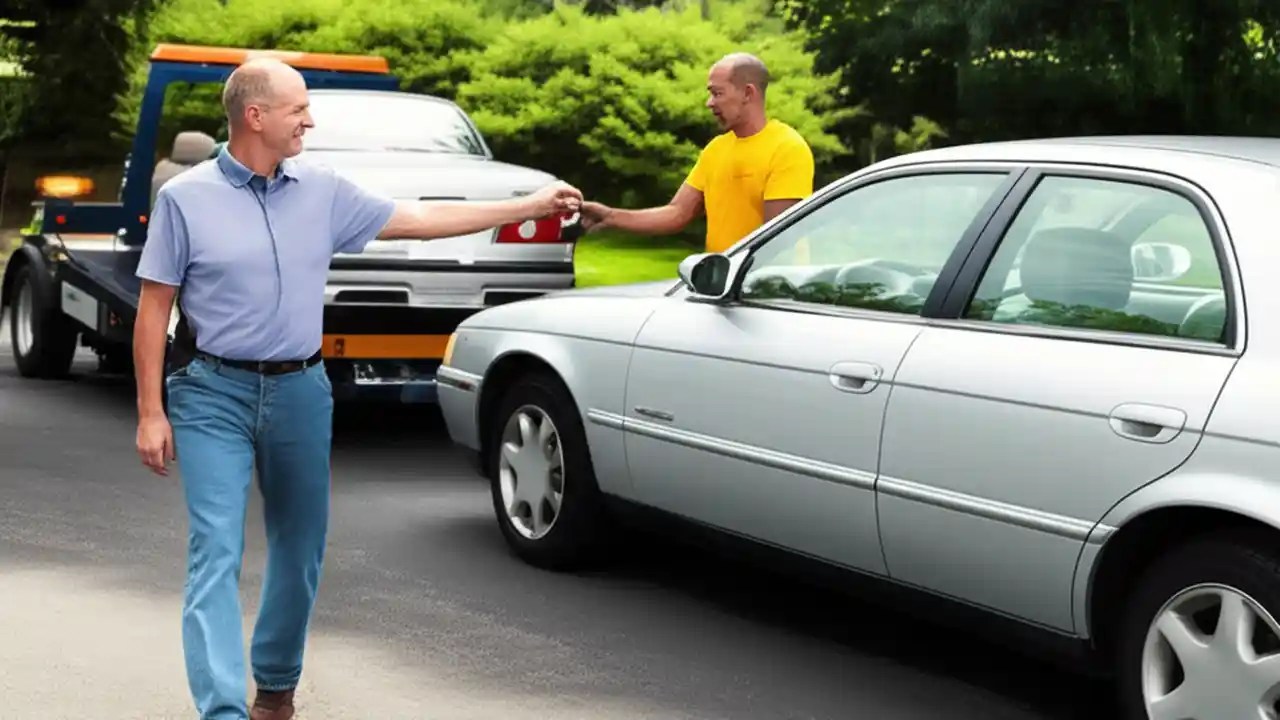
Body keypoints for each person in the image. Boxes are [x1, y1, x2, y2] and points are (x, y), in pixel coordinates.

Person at [132, 58, 581, 720]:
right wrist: (150, 412)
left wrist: (532, 205)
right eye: (298, 109)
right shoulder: (185, 199)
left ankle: (276, 688)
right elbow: (153, 307)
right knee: (215, 550)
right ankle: (222, 711)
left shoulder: (322, 189)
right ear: (255, 117)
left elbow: (418, 219)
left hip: (300, 391)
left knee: (301, 546)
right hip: (211, 393)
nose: (309, 119)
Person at [579, 52, 815, 254]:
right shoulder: (716, 149)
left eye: (717, 93)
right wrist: (609, 216)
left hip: (769, 293)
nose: (709, 103)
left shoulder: (787, 147)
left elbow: (777, 238)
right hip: (725, 286)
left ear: (748, 93)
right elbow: (677, 213)